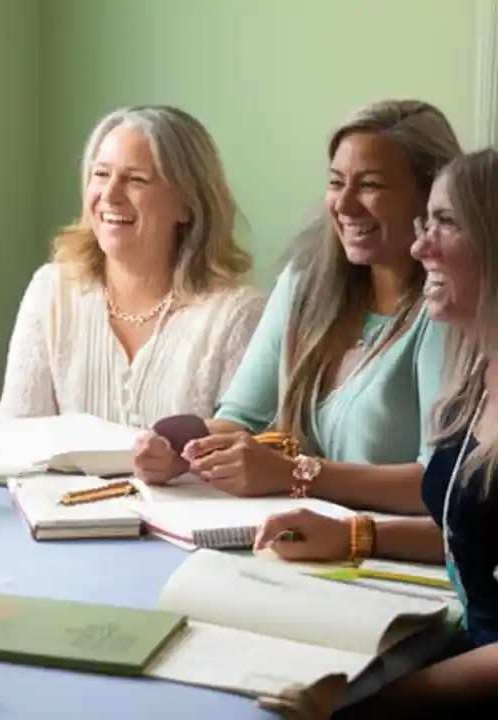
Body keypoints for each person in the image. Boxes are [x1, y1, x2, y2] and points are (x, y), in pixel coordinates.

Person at [257, 148, 498, 717]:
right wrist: (353, 537)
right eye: (423, 224)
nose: (420, 247)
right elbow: (470, 537)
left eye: (444, 224)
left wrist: (380, 700)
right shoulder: (477, 376)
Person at [134, 99, 462, 515]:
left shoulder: (451, 309)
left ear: (432, 194)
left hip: (391, 560)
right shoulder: (304, 282)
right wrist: (179, 450)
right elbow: (242, 420)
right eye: (336, 182)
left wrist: (296, 474)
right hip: (298, 544)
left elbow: (442, 486)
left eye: (371, 185)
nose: (344, 205)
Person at [0, 105, 264, 428]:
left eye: (136, 179)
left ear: (187, 205)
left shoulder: (237, 316)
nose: (110, 195)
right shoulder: (51, 290)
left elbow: (243, 456)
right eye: (101, 174)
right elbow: (15, 435)